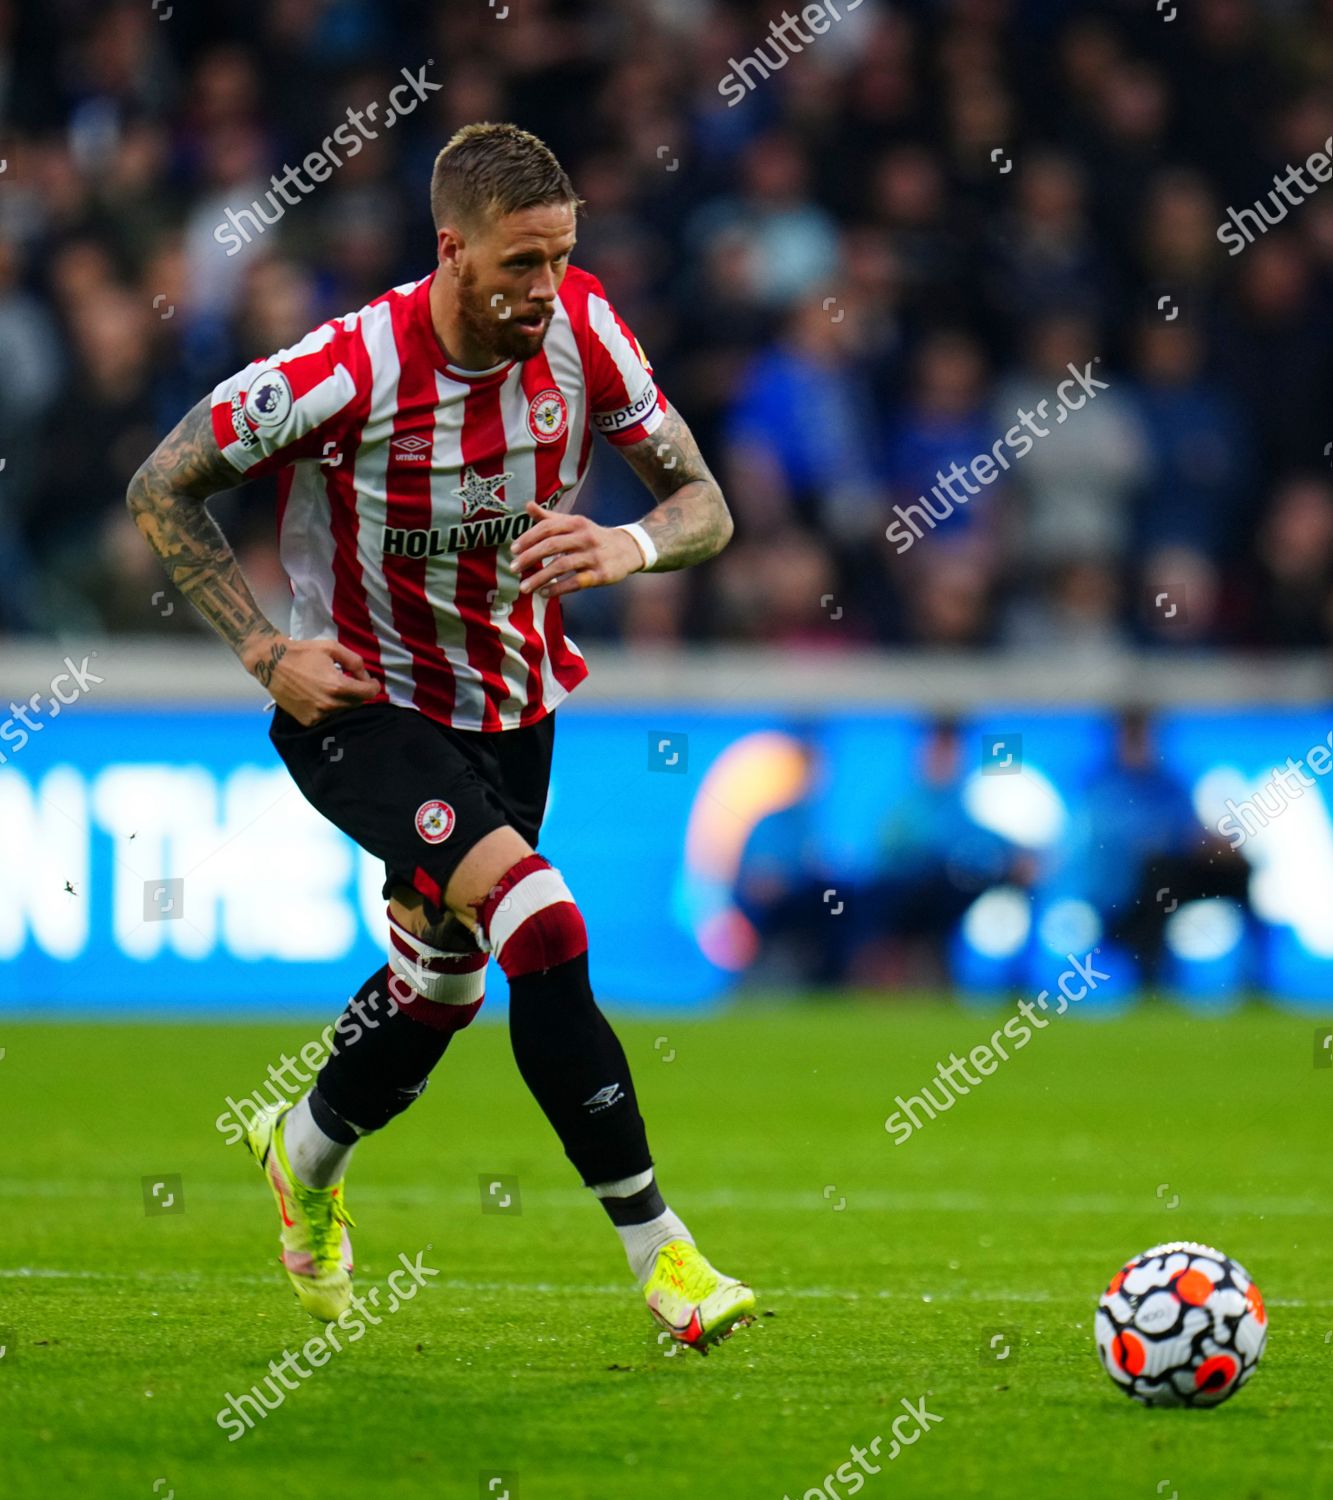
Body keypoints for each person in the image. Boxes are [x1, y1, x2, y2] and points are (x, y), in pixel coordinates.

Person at [126, 123, 753, 1353]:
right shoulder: (342, 370)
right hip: (363, 710)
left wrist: (624, 546)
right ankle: (660, 1253)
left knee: (444, 984)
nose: (543, 291)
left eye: (561, 259)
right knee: (542, 921)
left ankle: (301, 1153)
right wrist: (267, 651)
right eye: (520, 264)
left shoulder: (587, 333)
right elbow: (163, 484)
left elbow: (705, 504)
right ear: (450, 250)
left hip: (515, 708)